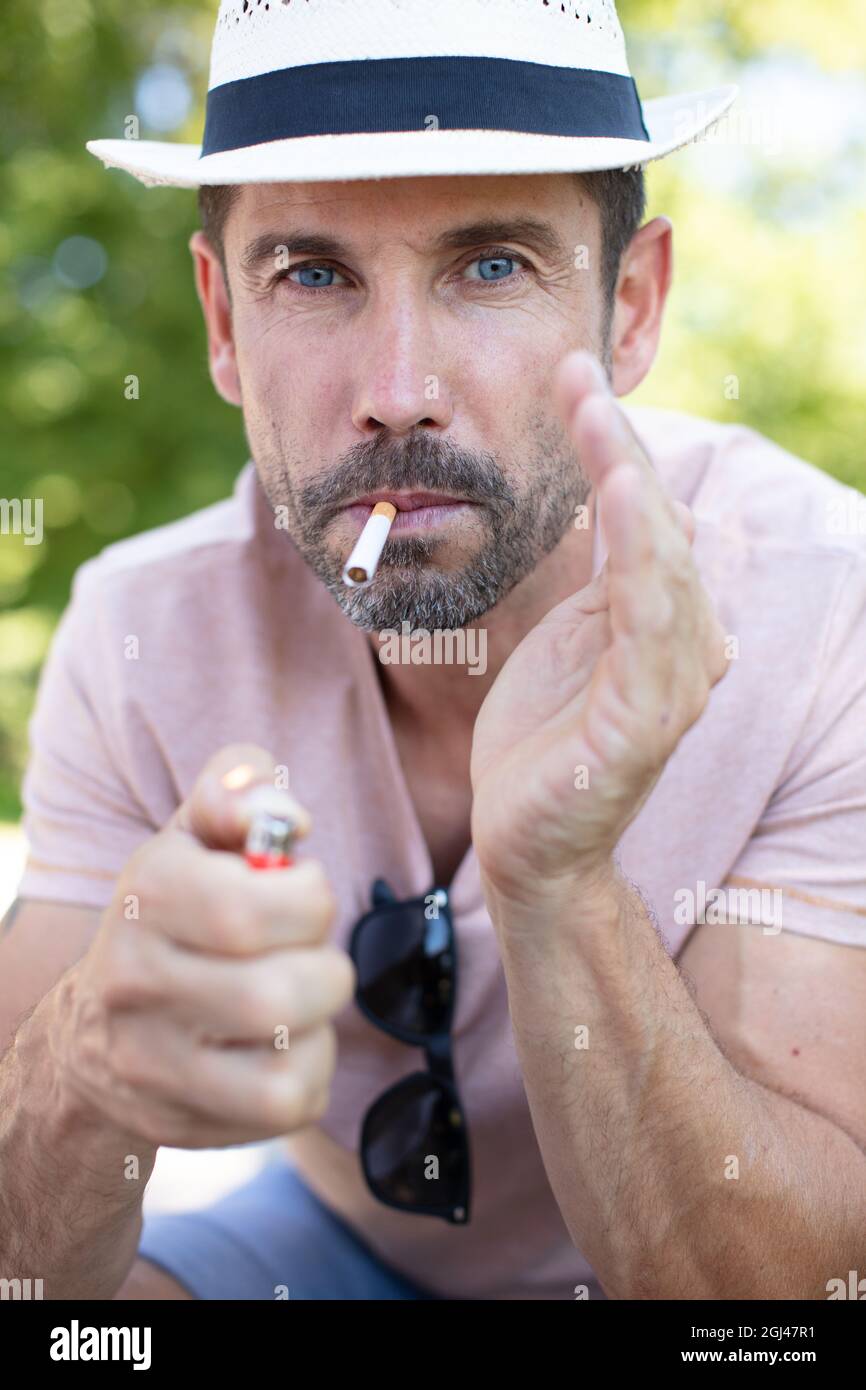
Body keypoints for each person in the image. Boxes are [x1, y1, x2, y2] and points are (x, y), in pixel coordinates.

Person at [2, 0, 865, 1302]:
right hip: (330, 1238)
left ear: (628, 309)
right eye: (311, 272)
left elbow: (778, 1298)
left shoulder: (823, 610)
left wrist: (557, 873)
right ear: (222, 322)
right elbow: (29, 1267)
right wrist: (82, 1076)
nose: (396, 386)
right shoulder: (140, 630)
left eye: (492, 266)